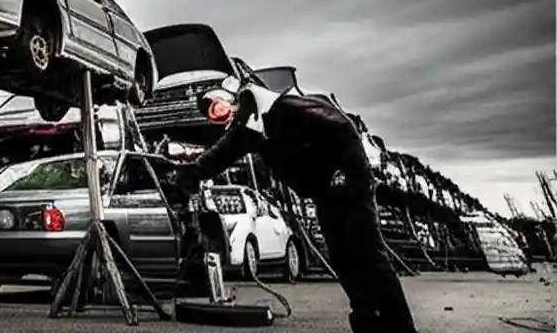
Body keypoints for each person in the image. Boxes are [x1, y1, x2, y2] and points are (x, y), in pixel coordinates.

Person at [170, 74, 417, 333]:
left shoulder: (288, 108)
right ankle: (367, 318)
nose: (220, 115)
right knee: (343, 259)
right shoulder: (252, 132)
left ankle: (401, 325)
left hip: (351, 186)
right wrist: (193, 173)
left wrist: (347, 173)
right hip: (325, 194)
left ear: (234, 97)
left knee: (368, 254)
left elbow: (343, 127)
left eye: (219, 106)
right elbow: (223, 153)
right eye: (214, 115)